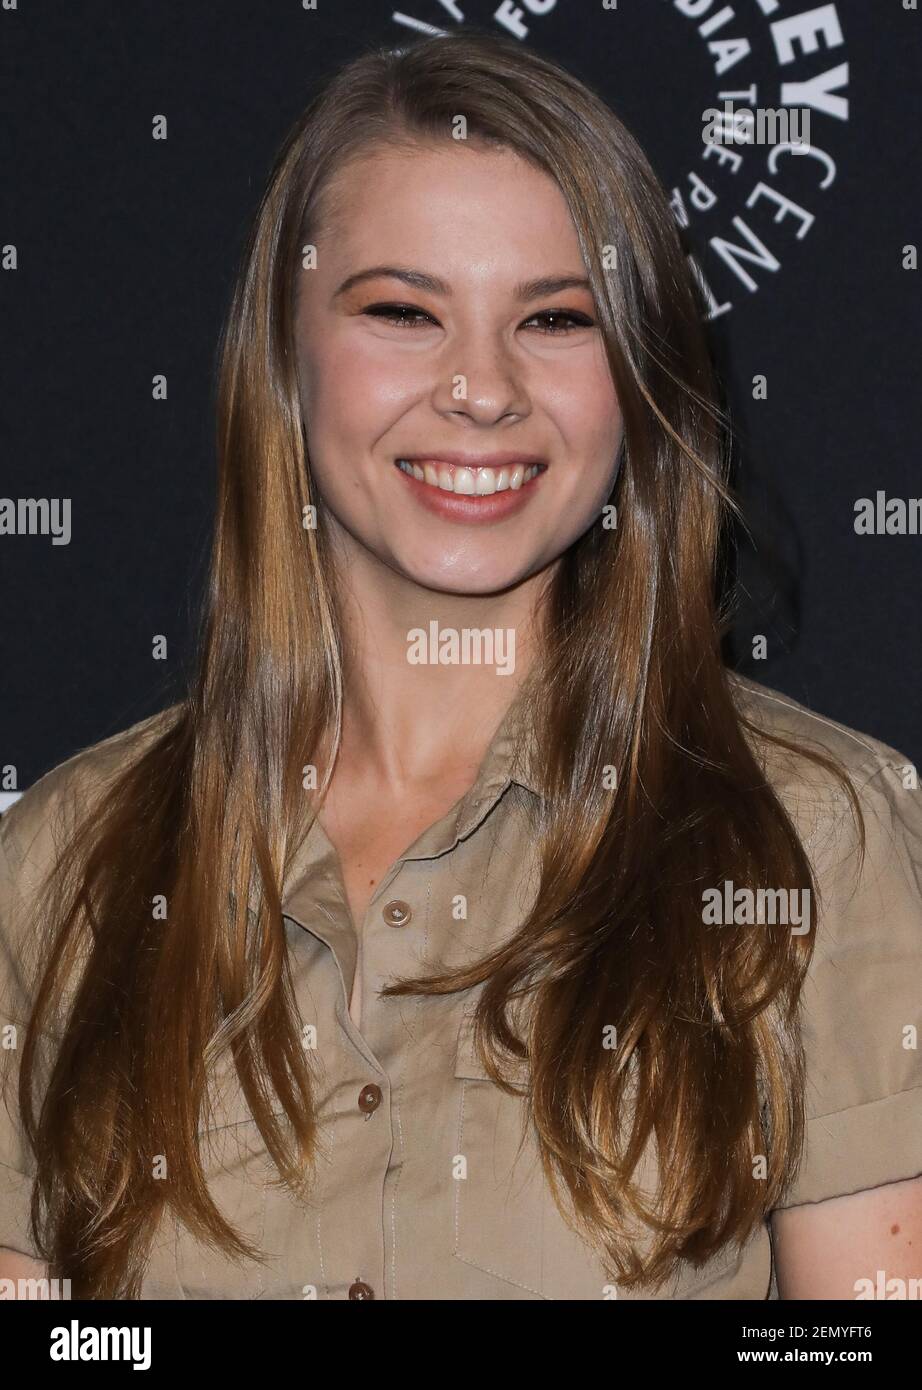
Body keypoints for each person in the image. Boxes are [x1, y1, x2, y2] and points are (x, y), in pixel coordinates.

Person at [1, 30, 920, 1302]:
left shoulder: (817, 839)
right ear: (285, 358)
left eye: (555, 318)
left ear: (641, 379)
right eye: (402, 311)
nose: (480, 388)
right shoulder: (64, 863)